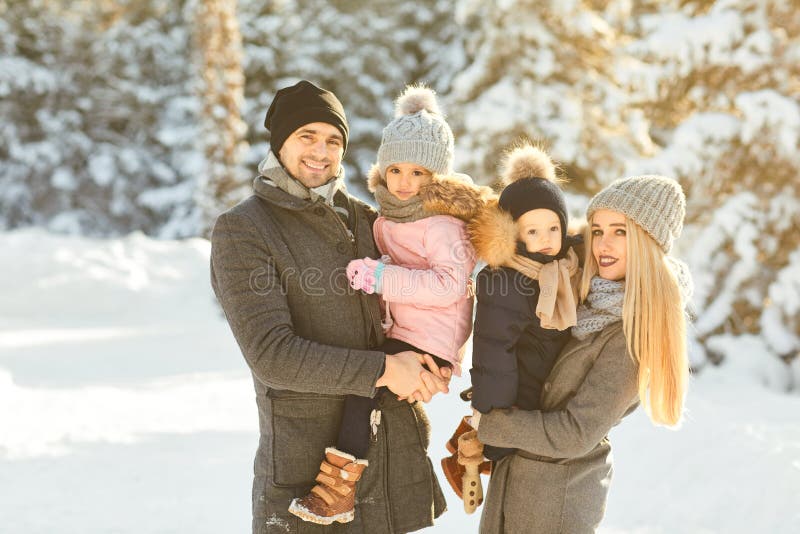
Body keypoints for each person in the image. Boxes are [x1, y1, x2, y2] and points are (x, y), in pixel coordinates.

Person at [210, 80, 451, 534]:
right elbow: (272, 356)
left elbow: (429, 293)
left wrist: (428, 360)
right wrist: (385, 368)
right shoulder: (243, 230)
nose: (321, 151)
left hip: (390, 459)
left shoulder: (370, 219)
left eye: (333, 140)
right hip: (309, 470)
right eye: (307, 136)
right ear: (280, 142)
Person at [288, 84, 494, 525]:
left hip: (431, 339)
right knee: (368, 391)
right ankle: (460, 456)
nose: (403, 182)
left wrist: (381, 277)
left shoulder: (441, 224)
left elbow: (449, 285)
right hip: (406, 334)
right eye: (395, 169)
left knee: (362, 389)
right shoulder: (391, 216)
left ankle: (339, 487)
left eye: (418, 174)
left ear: (436, 177)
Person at [472, 175, 692, 533]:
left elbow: (575, 433)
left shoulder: (632, 333)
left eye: (620, 232)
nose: (603, 244)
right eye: (598, 229)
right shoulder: (585, 298)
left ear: (648, 242)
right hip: (522, 484)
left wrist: (492, 425)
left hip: (556, 502)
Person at [439, 143, 582, 514]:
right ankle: (469, 458)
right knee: (504, 462)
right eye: (533, 231)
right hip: (516, 394)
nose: (547, 238)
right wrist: (495, 417)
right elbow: (492, 351)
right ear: (514, 234)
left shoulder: (564, 267)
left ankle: (473, 448)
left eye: (554, 227)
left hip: (544, 388)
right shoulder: (506, 280)